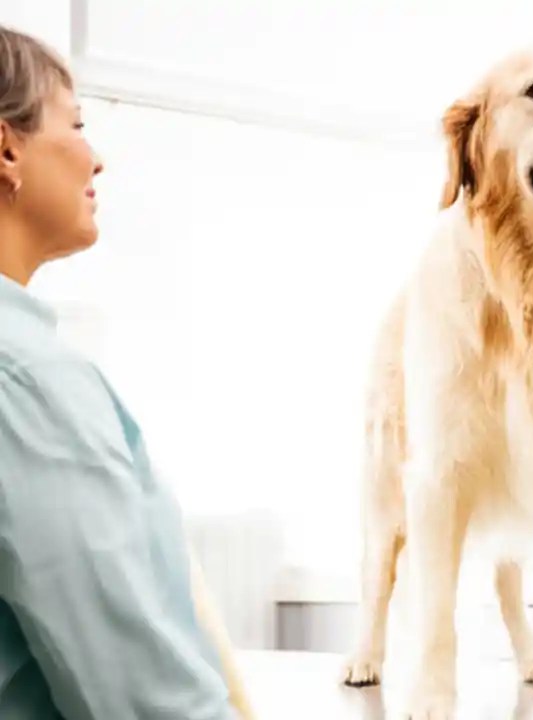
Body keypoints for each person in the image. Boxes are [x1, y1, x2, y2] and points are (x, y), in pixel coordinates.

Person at [0, 25, 245, 719]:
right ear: (7, 148)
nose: (97, 159)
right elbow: (143, 696)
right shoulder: (24, 378)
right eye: (75, 124)